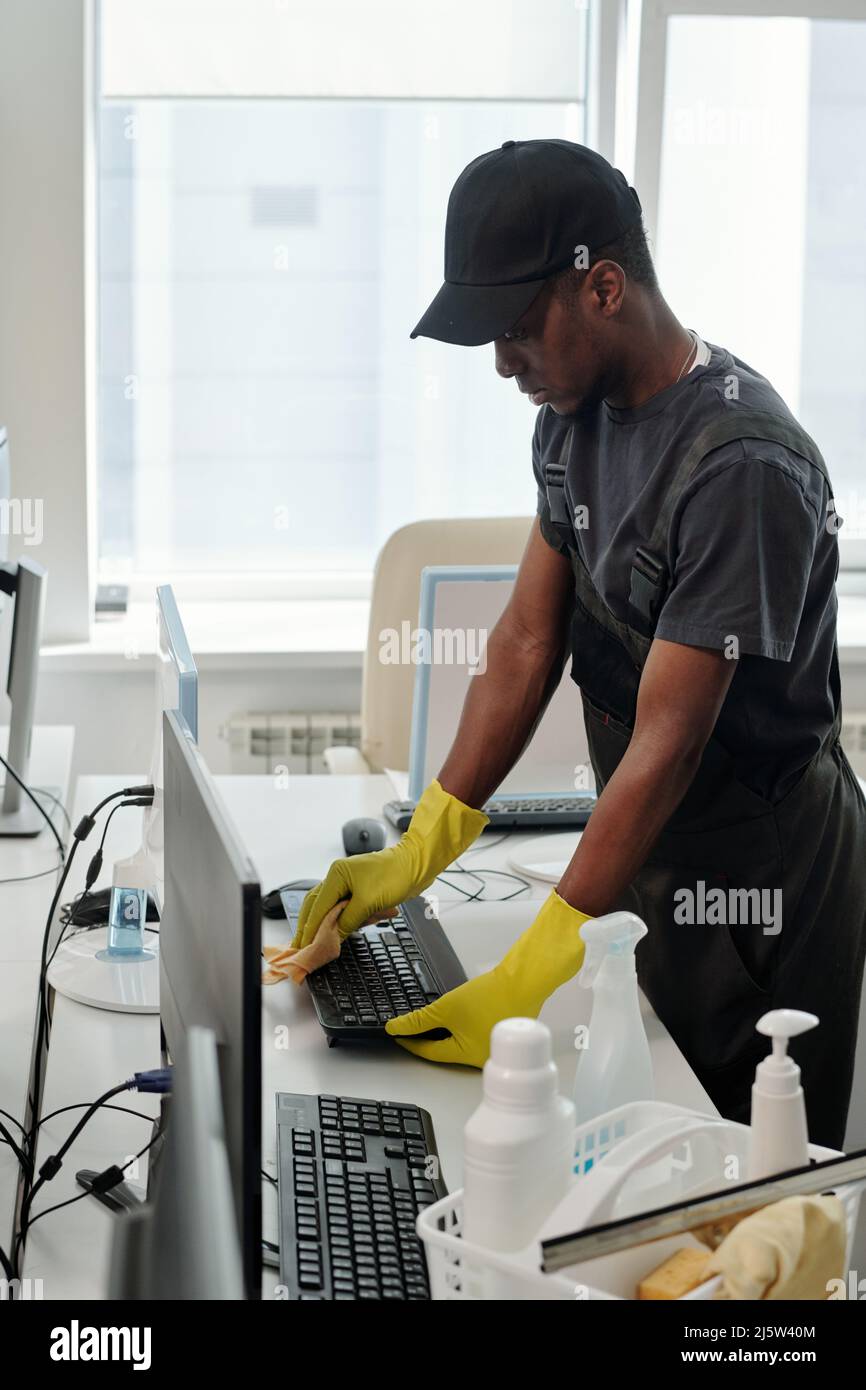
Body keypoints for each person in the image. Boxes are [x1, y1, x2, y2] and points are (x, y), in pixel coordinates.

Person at [293, 140, 866, 1150]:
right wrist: (421, 845)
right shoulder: (571, 414)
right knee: (628, 1136)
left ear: (599, 285)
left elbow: (666, 743)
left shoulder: (740, 467)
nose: (502, 362)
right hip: (649, 839)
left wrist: (534, 962)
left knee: (728, 1188)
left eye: (514, 330)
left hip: (754, 883)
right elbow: (524, 638)